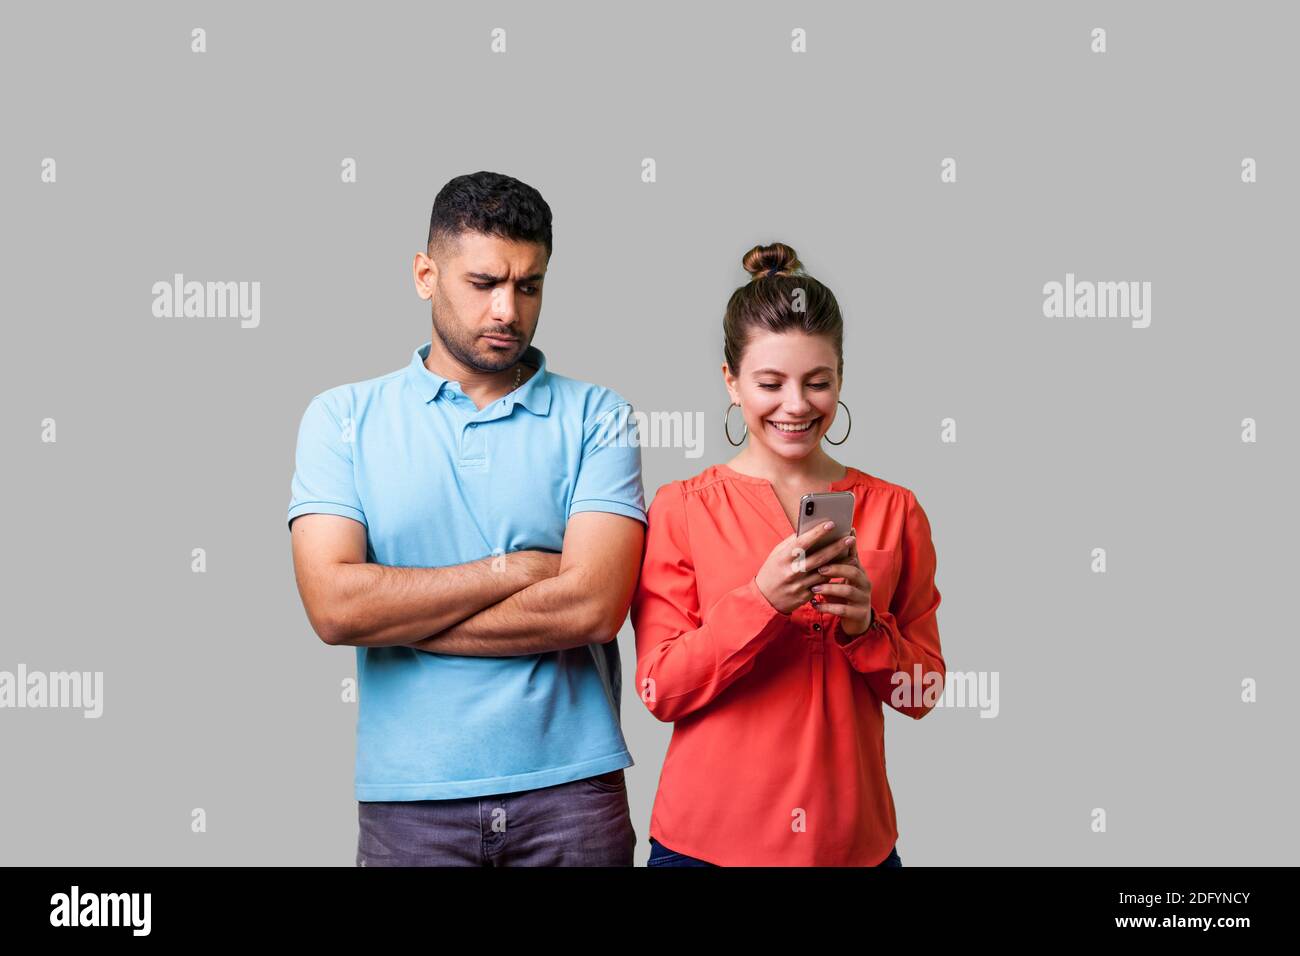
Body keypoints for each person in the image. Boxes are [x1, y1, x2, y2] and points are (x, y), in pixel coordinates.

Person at [287, 171, 646, 866]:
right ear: (426, 275)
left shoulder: (599, 416)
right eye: (483, 284)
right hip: (410, 800)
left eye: (529, 284)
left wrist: (400, 611)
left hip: (571, 792)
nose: (508, 309)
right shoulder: (340, 419)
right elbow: (334, 608)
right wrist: (516, 570)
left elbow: (595, 608)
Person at [631, 242, 944, 867]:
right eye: (770, 383)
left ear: (841, 379)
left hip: (853, 848)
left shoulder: (895, 510)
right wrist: (761, 602)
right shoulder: (682, 507)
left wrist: (865, 629)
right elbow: (659, 687)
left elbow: (924, 690)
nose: (796, 406)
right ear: (731, 381)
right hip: (704, 849)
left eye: (818, 382)